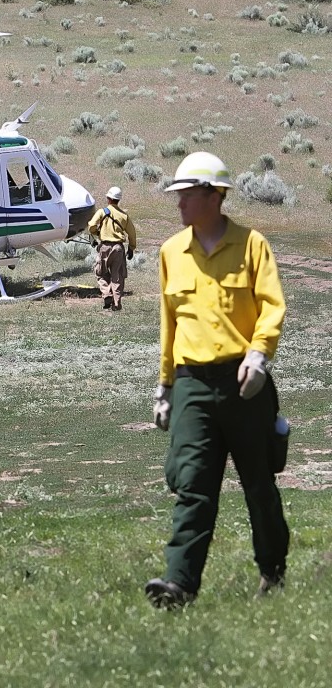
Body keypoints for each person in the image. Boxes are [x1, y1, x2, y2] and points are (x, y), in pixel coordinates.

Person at [146, 152, 289, 608]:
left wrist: (259, 354)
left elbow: (272, 305)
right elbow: (169, 323)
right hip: (191, 384)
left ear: (214, 195)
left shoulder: (252, 245)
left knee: (259, 484)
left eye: (187, 194)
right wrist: (165, 386)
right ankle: (179, 584)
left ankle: (273, 570)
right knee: (191, 484)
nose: (180, 203)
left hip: (244, 381)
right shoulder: (171, 252)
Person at [87, 185, 137, 312]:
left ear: (108, 198)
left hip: (104, 247)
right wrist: (131, 248)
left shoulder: (102, 212)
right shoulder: (124, 216)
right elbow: (132, 233)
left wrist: (97, 232)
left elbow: (91, 225)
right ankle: (117, 304)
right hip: (118, 248)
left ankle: (106, 294)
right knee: (117, 276)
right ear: (118, 200)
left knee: (101, 273)